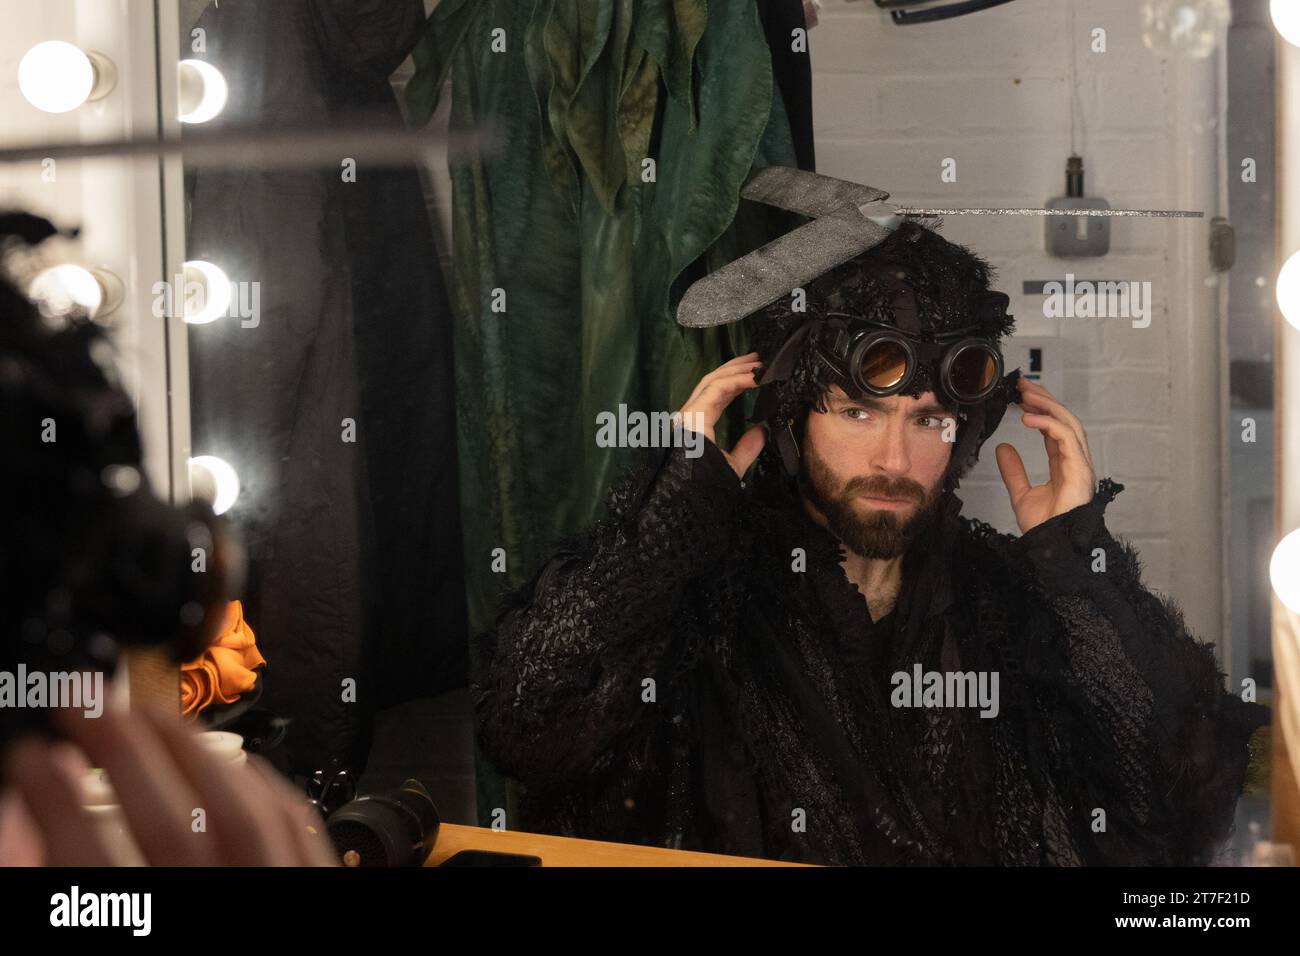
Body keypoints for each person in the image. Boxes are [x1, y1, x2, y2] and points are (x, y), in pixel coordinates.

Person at [473, 220, 1271, 865]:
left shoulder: (1011, 601)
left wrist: (1077, 562)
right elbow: (529, 721)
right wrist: (665, 530)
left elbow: (1187, 794)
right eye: (857, 413)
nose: (895, 461)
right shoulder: (700, 597)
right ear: (790, 415)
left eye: (929, 420)